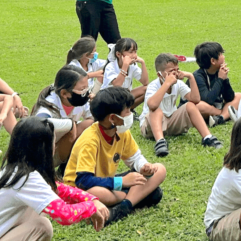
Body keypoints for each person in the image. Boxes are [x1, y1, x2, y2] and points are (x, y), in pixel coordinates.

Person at [0, 117, 110, 241]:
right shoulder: (26, 178)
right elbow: (64, 214)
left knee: (36, 214)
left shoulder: (16, 169)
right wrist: (91, 207)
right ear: (44, 149)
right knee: (42, 226)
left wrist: (92, 199)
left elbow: (57, 188)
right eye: (53, 141)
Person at [64, 87, 166, 226]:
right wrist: (121, 182)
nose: (130, 114)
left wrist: (144, 167)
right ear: (113, 118)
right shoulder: (90, 140)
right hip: (81, 190)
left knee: (159, 169)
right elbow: (83, 181)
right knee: (97, 192)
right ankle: (131, 198)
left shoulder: (121, 131)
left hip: (107, 183)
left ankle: (123, 206)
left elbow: (134, 158)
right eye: (128, 111)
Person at [142, 53, 223, 158]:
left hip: (170, 123)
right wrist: (166, 84)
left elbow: (196, 99)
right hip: (151, 127)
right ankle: (160, 142)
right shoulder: (154, 85)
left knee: (190, 105)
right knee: (156, 110)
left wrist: (191, 77)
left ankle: (207, 137)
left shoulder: (178, 84)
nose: (175, 74)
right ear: (159, 75)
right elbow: (152, 105)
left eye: (177, 70)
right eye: (171, 71)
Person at [31, 66, 95, 170]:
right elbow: (39, 122)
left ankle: (70, 167)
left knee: (92, 124)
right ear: (64, 93)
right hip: (43, 153)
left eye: (87, 88)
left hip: (61, 144)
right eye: (82, 89)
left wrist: (96, 105)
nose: (86, 93)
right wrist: (70, 126)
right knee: (73, 127)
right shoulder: (49, 105)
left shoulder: (79, 100)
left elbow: (94, 118)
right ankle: (47, 170)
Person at [192, 42, 240, 126]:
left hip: (215, 107)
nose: (224, 56)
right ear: (213, 61)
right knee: (200, 106)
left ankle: (220, 119)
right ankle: (225, 114)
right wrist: (220, 79)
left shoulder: (218, 72)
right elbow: (207, 100)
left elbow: (230, 98)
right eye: (221, 54)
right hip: (204, 109)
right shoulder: (197, 76)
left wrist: (225, 80)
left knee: (239, 96)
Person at [100, 37, 148, 109]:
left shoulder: (132, 66)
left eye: (135, 52)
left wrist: (143, 63)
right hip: (109, 99)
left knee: (147, 89)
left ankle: (127, 111)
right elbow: (117, 86)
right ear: (118, 54)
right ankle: (120, 112)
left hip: (123, 97)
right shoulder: (110, 67)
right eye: (131, 52)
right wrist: (125, 66)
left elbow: (145, 83)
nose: (134, 55)